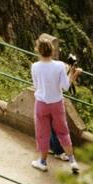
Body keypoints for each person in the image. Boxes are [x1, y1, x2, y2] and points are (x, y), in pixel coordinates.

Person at [30, 35, 81, 174]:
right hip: (57, 104)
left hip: (41, 104)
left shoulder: (34, 67)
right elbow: (65, 87)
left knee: (43, 133)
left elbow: (36, 85)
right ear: (52, 51)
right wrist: (73, 74)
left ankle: (42, 162)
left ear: (38, 50)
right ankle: (72, 161)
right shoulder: (59, 66)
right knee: (63, 132)